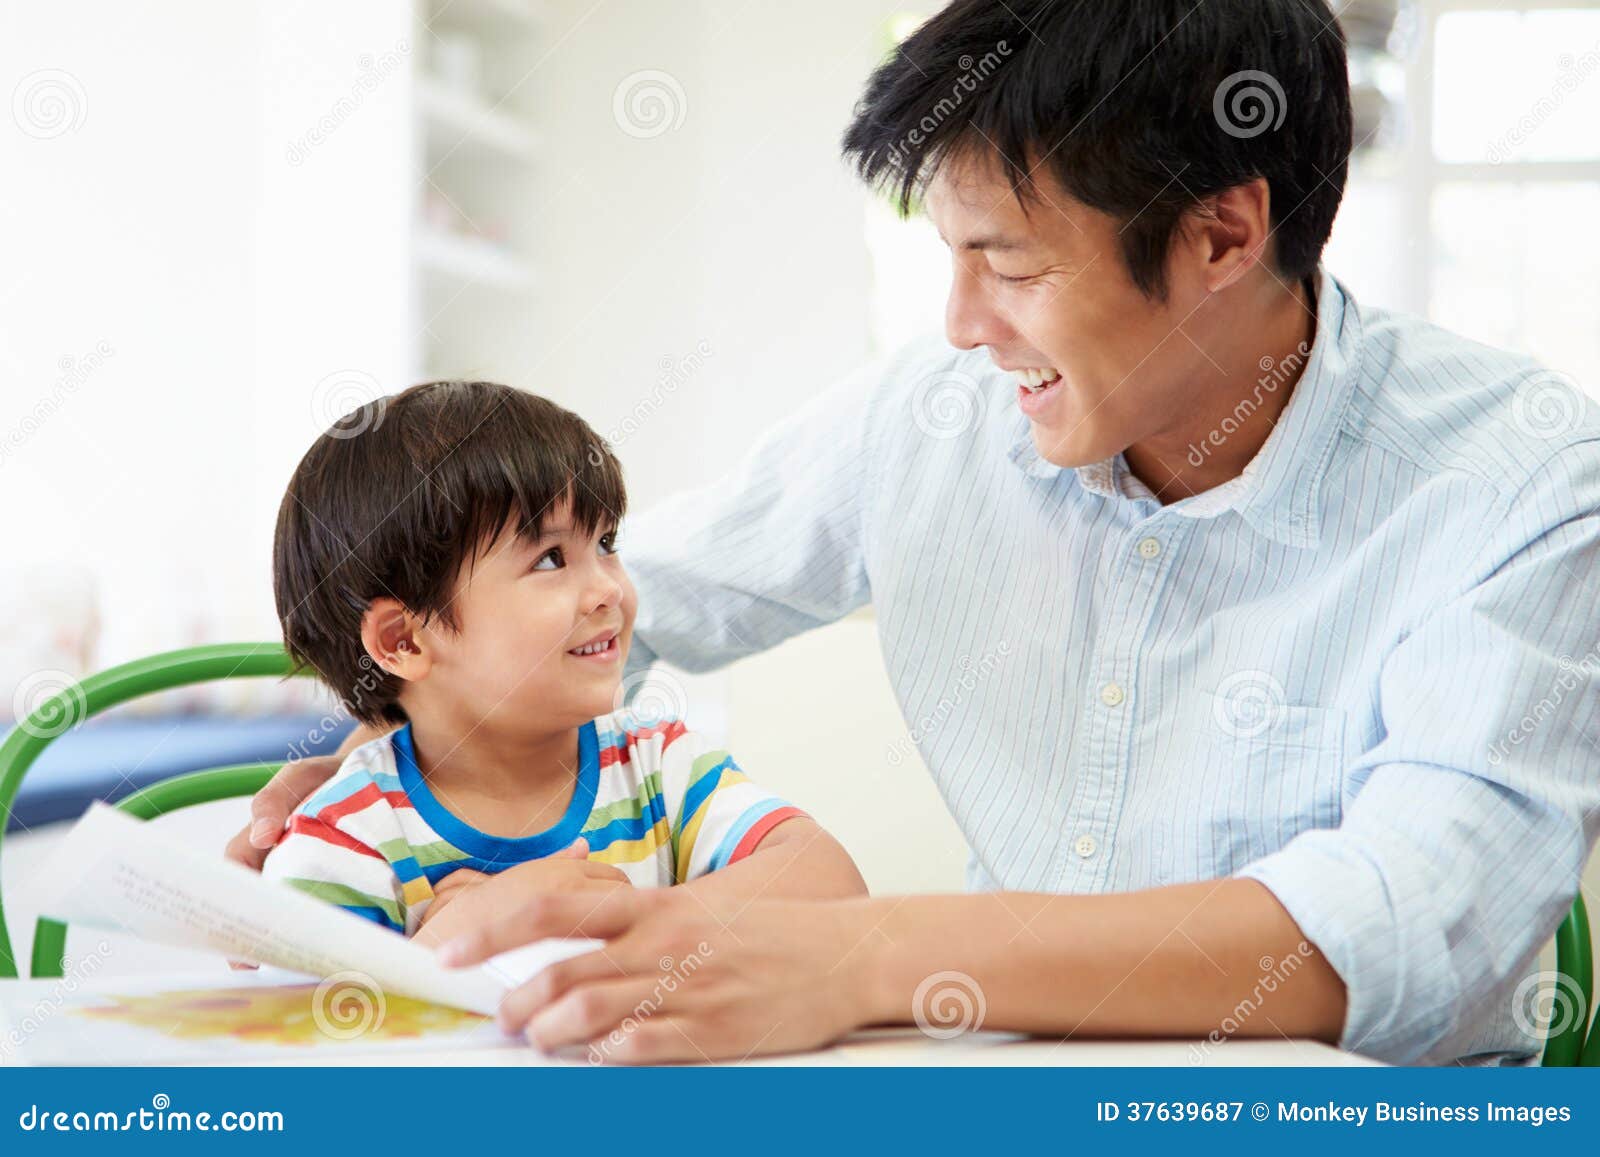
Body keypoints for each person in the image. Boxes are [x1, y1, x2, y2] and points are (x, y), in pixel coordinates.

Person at [232, 0, 1600, 1064]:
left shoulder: (1515, 478)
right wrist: (411, 734)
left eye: (1009, 262)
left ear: (1223, 235)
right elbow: (631, 596)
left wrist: (858, 957)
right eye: (946, 254)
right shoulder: (933, 421)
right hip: (1001, 1091)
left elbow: (1407, 918)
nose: (960, 325)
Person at [255, 380, 865, 950]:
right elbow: (302, 1022)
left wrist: (616, 919)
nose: (609, 588)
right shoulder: (345, 837)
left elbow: (832, 885)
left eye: (605, 544)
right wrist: (448, 945)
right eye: (550, 559)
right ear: (404, 641)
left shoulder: (658, 765)